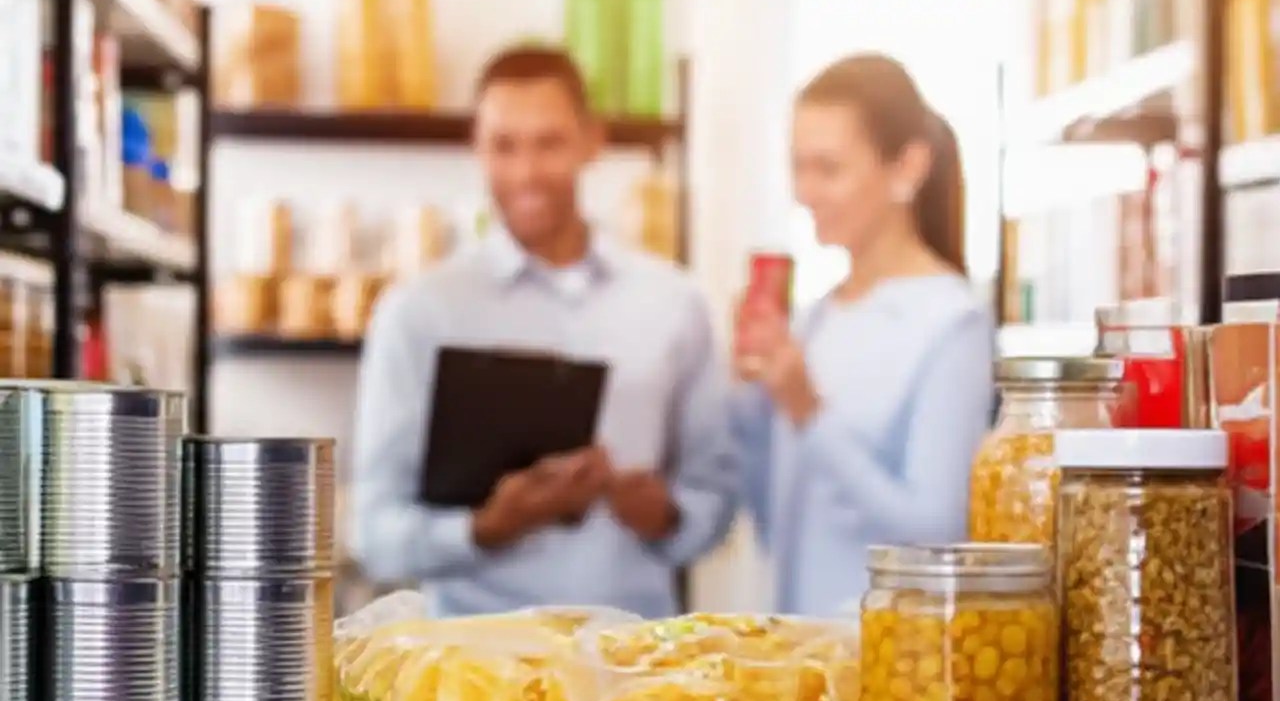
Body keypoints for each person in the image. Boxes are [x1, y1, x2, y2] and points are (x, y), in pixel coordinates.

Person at [350, 46, 737, 618]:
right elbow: (375, 535)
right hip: (475, 672)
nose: (526, 172)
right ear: (477, 149)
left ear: (591, 141)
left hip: (634, 668)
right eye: (503, 146)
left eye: (549, 143)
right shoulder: (418, 313)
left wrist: (662, 514)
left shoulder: (674, 304)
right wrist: (489, 526)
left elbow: (715, 504)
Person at [734, 54, 994, 616]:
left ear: (906, 168)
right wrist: (751, 400)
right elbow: (776, 526)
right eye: (797, 166)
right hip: (801, 653)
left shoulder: (952, 323)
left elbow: (935, 530)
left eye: (828, 168)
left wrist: (809, 413)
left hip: (888, 659)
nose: (805, 191)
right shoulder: (817, 318)